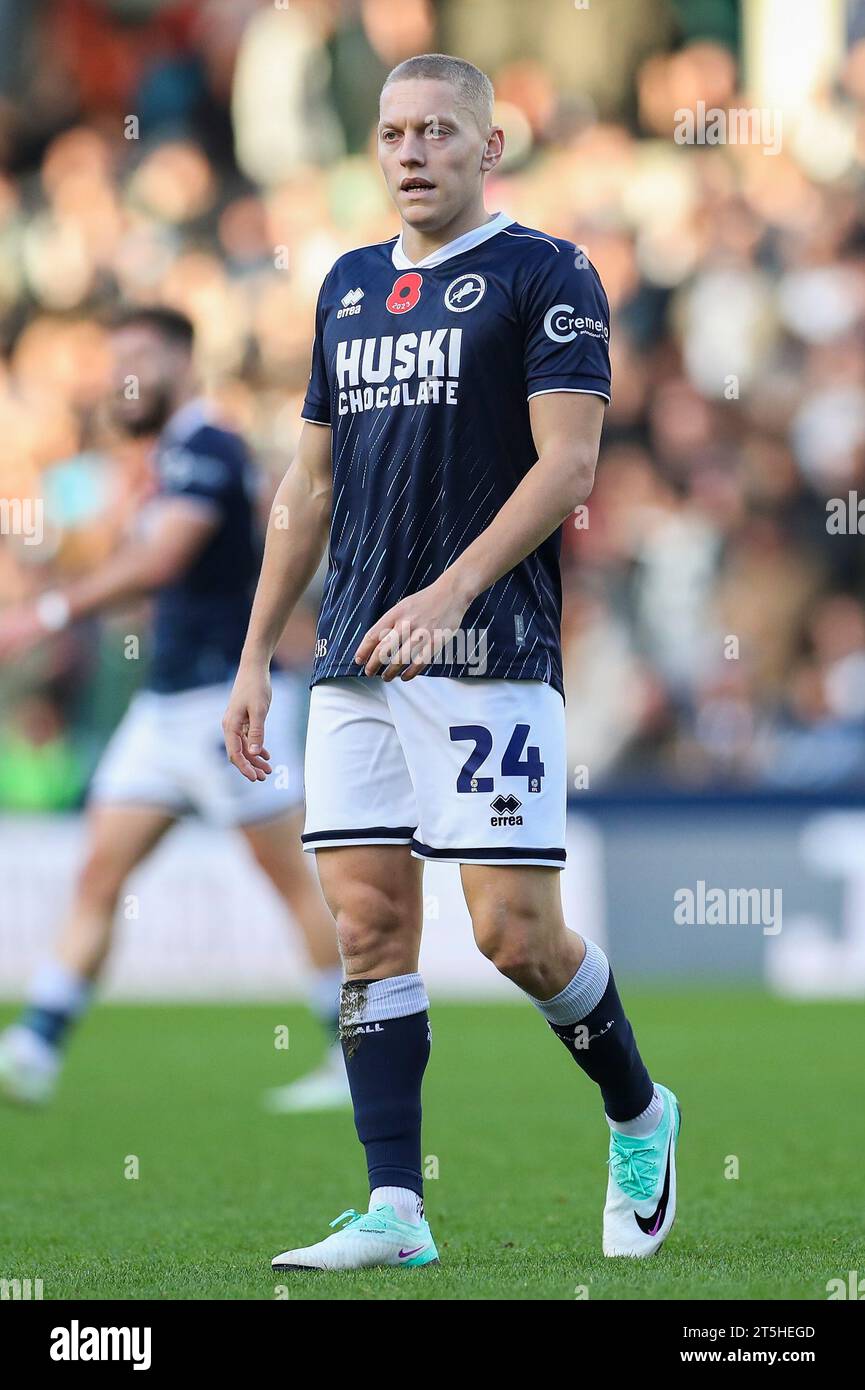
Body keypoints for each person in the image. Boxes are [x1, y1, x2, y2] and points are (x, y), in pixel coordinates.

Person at [223, 53, 681, 1270]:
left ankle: (640, 1113)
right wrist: (257, 647)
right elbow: (308, 482)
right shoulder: (349, 285)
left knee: (514, 935)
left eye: (437, 130)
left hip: (487, 649)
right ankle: (395, 1211)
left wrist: (452, 587)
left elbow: (568, 466)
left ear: (489, 147)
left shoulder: (547, 272)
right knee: (367, 925)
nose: (411, 152)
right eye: (391, 133)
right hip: (355, 656)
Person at [0, 307, 348, 1114]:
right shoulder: (165, 457)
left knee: (287, 878)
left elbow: (163, 560)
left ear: (182, 362)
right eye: (114, 360)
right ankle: (39, 1043)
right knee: (100, 870)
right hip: (164, 703)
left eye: (140, 358)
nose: (123, 378)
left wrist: (47, 613)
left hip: (226, 700)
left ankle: (351, 1051)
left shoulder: (207, 445)